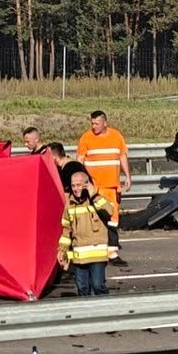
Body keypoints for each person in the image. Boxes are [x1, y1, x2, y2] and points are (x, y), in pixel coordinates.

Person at [76, 110, 131, 266]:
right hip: (95, 188)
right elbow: (80, 160)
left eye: (96, 123)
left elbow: (122, 156)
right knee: (95, 220)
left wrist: (127, 176)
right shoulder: (86, 138)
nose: (94, 127)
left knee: (112, 220)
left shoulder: (116, 136)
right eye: (92, 123)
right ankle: (96, 252)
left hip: (112, 187)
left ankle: (112, 253)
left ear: (105, 123)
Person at [58, 168, 113, 297]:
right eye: (73, 186)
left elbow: (109, 211)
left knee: (98, 285)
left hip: (97, 254)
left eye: (79, 185)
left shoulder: (96, 200)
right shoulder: (70, 205)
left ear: (87, 184)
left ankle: (108, 308)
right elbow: (66, 230)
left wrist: (93, 195)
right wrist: (62, 250)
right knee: (82, 288)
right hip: (79, 257)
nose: (75, 189)